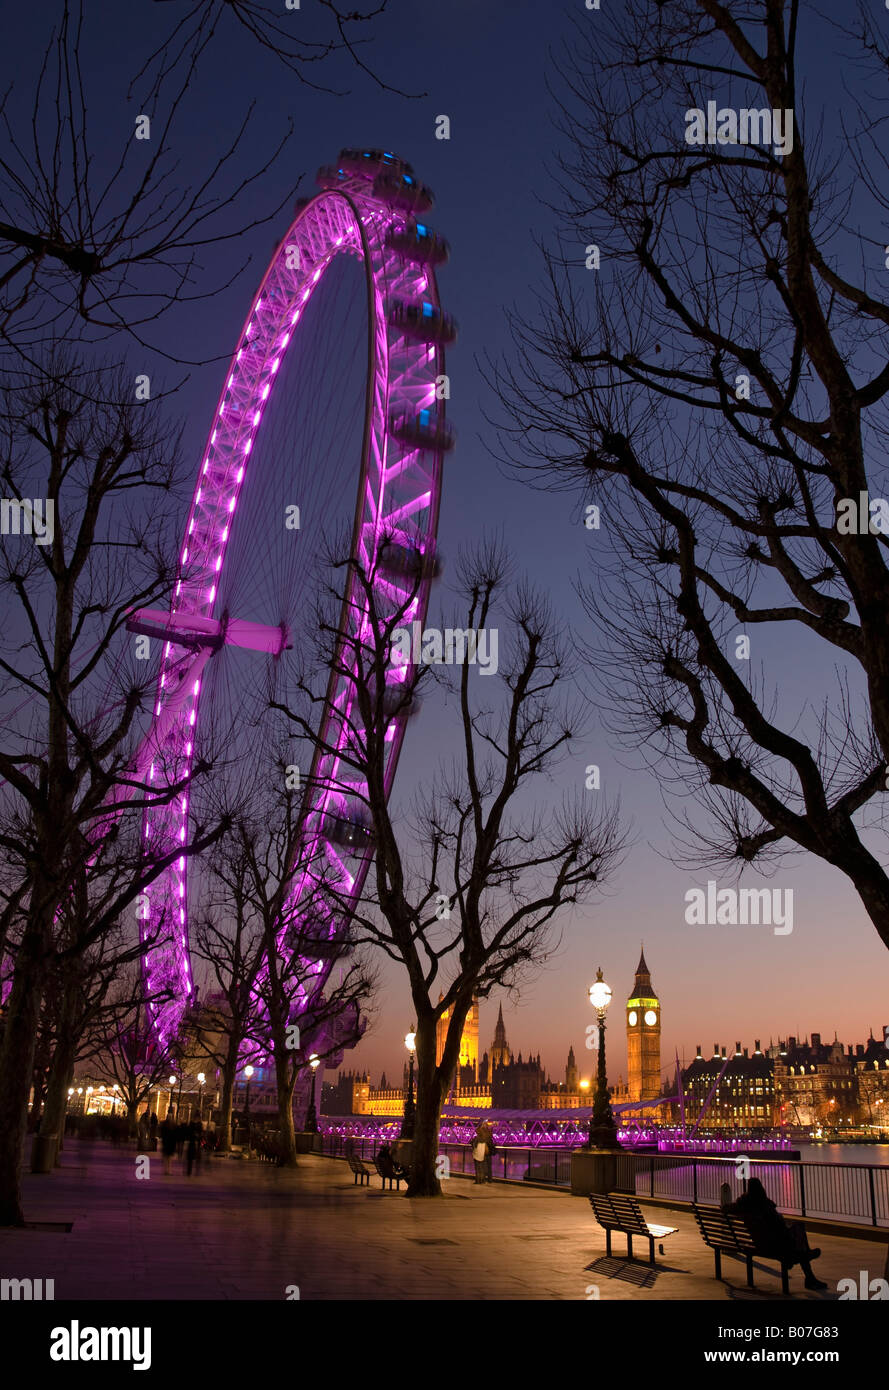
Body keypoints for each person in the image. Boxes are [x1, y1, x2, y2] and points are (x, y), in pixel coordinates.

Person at [726, 1178, 827, 1290]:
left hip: (760, 1244)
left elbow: (727, 1208)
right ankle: (808, 1270)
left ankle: (807, 1263)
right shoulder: (766, 1206)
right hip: (776, 1246)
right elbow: (780, 1228)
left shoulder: (743, 1204)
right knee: (799, 1228)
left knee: (798, 1241)